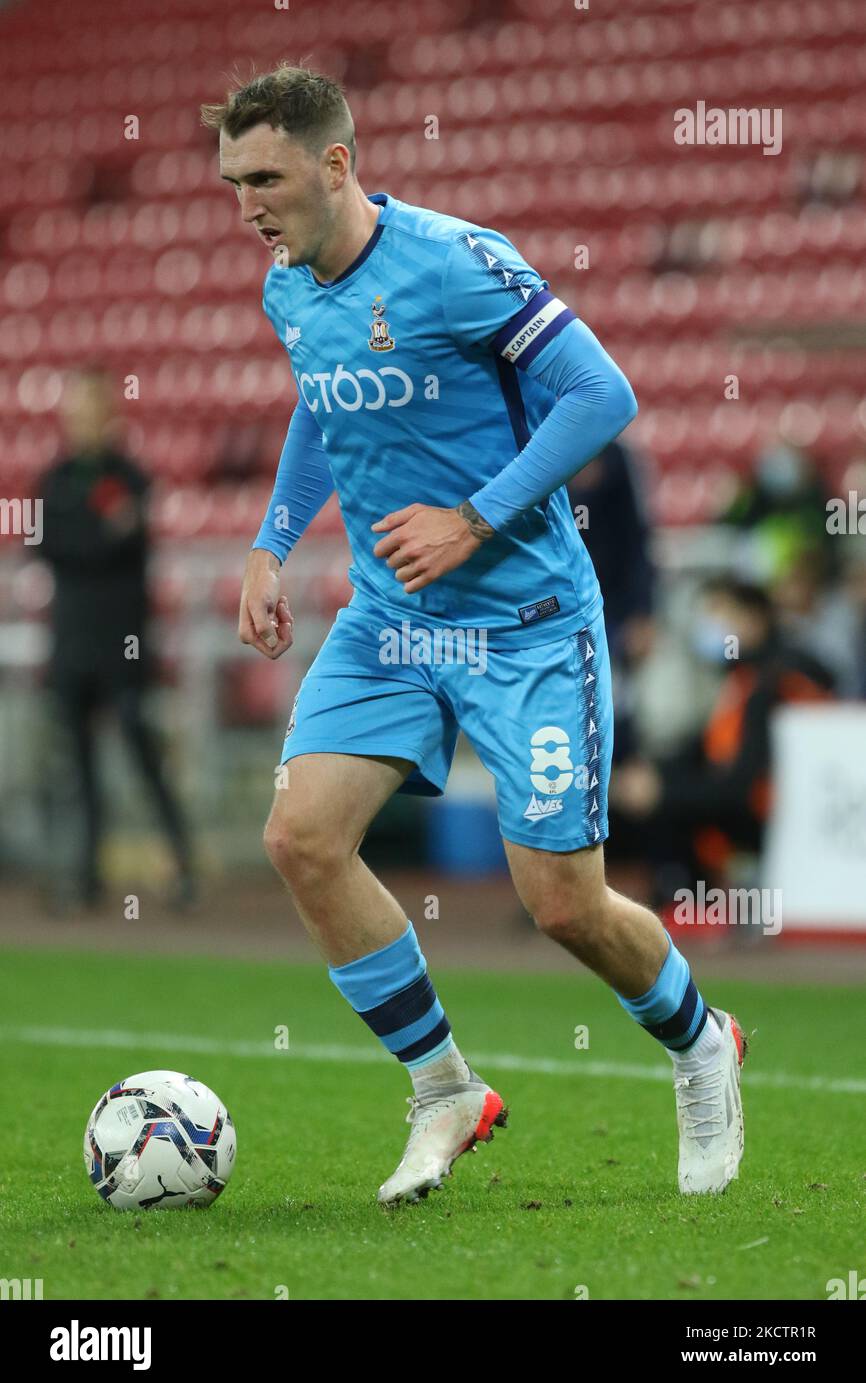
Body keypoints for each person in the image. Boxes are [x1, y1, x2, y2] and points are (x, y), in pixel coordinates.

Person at [202, 63, 747, 1205]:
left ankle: (699, 1043)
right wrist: (269, 542)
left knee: (563, 906)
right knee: (302, 838)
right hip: (391, 620)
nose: (246, 203)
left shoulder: (454, 263)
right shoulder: (287, 286)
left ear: (335, 163)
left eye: (264, 176)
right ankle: (443, 1085)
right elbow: (319, 398)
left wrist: (470, 518)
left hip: (527, 621)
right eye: (231, 180)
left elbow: (600, 395)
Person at [38, 366, 197, 909]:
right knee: (76, 769)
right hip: (71, 644)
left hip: (124, 645)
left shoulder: (131, 477)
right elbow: (54, 544)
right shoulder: (54, 479)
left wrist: (84, 538)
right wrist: (97, 536)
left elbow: (88, 544)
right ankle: (84, 879)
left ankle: (183, 867)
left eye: (90, 412)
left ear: (110, 416)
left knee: (141, 752)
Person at [612, 577, 835, 900]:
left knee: (662, 805)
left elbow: (740, 788)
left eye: (719, 613)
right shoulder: (741, 677)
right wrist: (652, 774)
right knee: (638, 787)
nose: (710, 626)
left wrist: (664, 792)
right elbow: (704, 748)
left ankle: (686, 899)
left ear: (753, 619)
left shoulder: (775, 682)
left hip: (774, 824)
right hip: (743, 806)